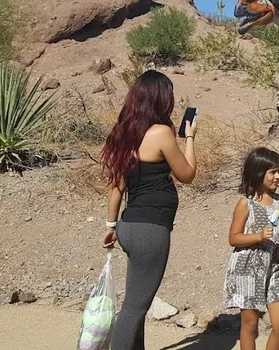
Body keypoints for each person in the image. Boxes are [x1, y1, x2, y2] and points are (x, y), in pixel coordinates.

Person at [99, 69, 198, 350]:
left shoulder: (123, 134)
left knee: (136, 302)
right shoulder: (161, 133)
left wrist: (111, 226)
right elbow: (187, 173)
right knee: (134, 308)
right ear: (159, 99)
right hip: (150, 229)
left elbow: (116, 186)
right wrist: (189, 138)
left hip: (129, 226)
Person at [223, 146, 279, 350]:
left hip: (273, 268)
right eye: (273, 172)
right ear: (258, 172)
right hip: (247, 269)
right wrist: (258, 236)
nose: (278, 176)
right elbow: (233, 238)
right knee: (250, 325)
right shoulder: (246, 204)